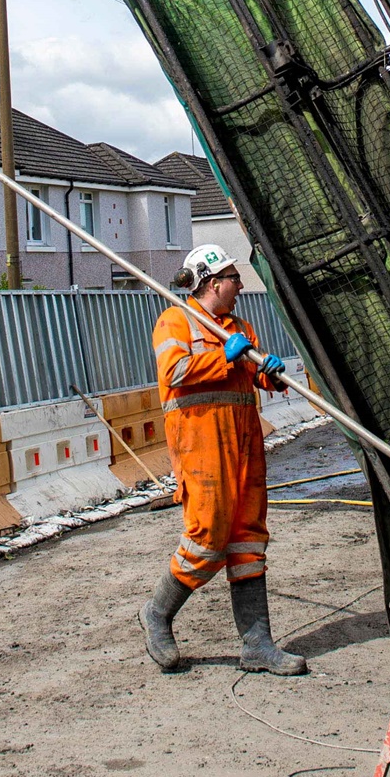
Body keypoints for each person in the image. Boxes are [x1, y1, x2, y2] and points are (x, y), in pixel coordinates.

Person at [139, 244, 307, 676]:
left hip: (244, 441)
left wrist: (268, 371)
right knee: (208, 534)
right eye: (234, 276)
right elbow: (173, 373)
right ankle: (158, 613)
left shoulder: (240, 327)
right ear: (213, 282)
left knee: (248, 537)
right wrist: (223, 356)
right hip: (200, 442)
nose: (240, 283)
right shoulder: (174, 321)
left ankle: (258, 646)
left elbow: (254, 378)